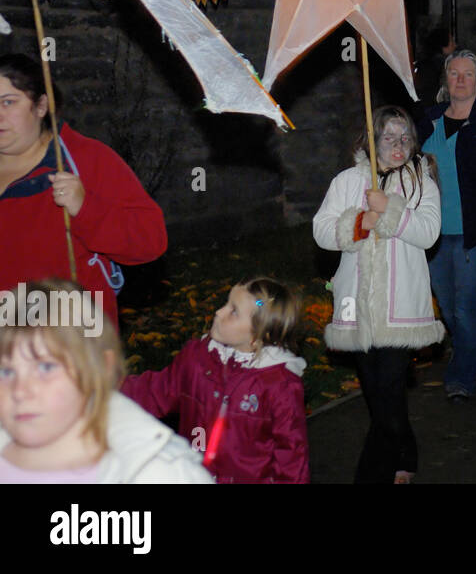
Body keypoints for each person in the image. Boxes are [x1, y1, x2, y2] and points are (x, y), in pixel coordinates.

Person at [314, 106, 444, 483]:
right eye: (389, 137)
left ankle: (369, 476)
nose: (398, 145)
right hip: (357, 306)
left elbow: (429, 232)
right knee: (379, 397)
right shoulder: (348, 181)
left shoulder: (421, 181)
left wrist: (390, 211)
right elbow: (321, 231)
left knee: (387, 390)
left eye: (405, 138)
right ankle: (405, 455)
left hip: (400, 308)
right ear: (372, 141)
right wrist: (357, 223)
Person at [0, 53, 166, 324]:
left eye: (8, 102)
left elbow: (149, 240)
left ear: (41, 105)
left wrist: (86, 209)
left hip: (71, 341)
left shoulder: (86, 160)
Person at [0, 278, 213, 483]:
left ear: (100, 369)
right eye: (5, 372)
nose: (20, 391)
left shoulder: (159, 474)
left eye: (46, 367)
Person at [121, 277, 309, 483]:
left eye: (233, 311)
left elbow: (291, 455)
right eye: (226, 304)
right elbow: (154, 391)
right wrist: (104, 389)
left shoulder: (279, 385)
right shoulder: (197, 359)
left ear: (257, 336)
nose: (219, 312)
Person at [415, 49, 476, 402]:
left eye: (467, 74)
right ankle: (474, 350)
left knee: (466, 306)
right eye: (454, 73)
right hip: (435, 232)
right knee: (446, 303)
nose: (460, 79)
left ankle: (461, 375)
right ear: (445, 80)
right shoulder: (426, 122)